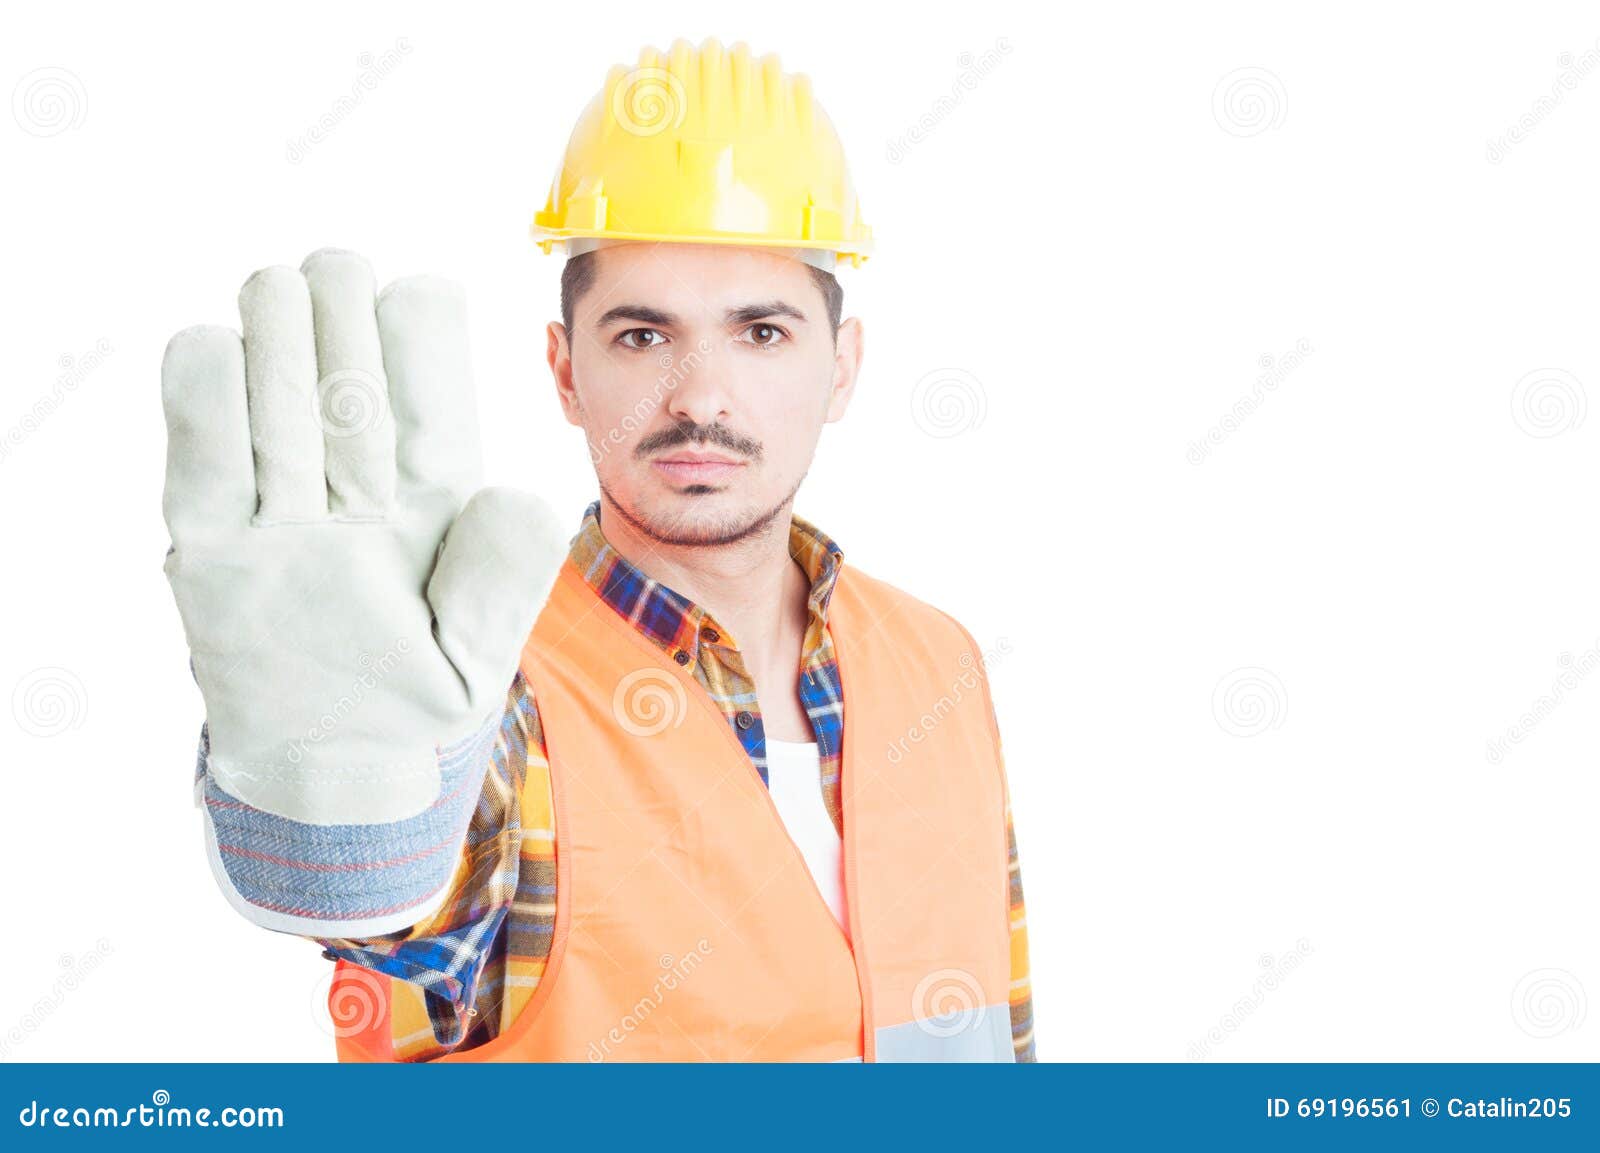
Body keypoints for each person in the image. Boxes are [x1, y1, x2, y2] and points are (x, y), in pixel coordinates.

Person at [160, 36, 1034, 1062]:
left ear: (842, 366)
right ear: (565, 369)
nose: (701, 396)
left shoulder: (938, 660)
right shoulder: (479, 692)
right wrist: (348, 819)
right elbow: (405, 911)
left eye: (761, 333)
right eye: (642, 336)